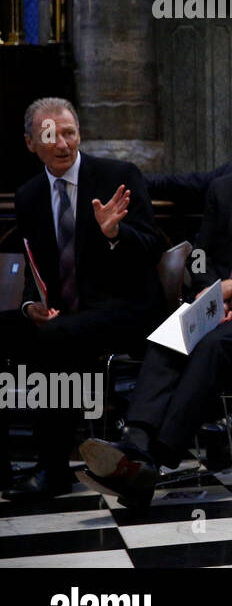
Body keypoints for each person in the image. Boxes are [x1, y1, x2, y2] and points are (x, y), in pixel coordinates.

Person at [77, 97, 232, 511]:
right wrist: (213, 291)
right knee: (171, 334)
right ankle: (136, 443)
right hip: (222, 300)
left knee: (215, 344)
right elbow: (202, 254)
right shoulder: (225, 187)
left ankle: (155, 459)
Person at [3, 98, 165, 502]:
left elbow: (152, 249)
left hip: (126, 306)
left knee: (55, 338)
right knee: (14, 327)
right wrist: (29, 305)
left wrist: (114, 234)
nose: (62, 144)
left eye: (70, 133)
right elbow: (31, 263)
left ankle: (53, 468)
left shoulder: (118, 176)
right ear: (30, 143)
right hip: (65, 312)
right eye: (50, 135)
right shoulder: (28, 196)